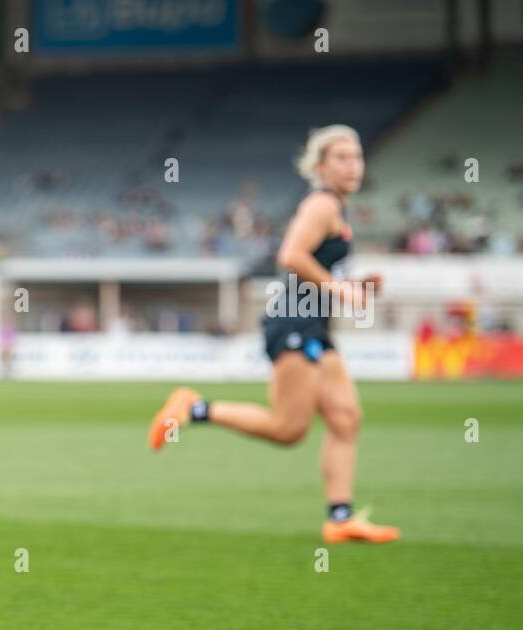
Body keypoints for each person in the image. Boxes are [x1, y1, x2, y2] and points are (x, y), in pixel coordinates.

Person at [148, 125, 398, 543]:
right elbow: (291, 256)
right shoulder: (321, 204)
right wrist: (340, 289)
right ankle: (193, 408)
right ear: (320, 166)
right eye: (341, 157)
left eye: (356, 156)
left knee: (345, 417)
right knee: (288, 429)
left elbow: (318, 267)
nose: (352, 165)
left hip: (315, 323)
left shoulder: (337, 207)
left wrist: (354, 286)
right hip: (293, 321)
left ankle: (340, 519)